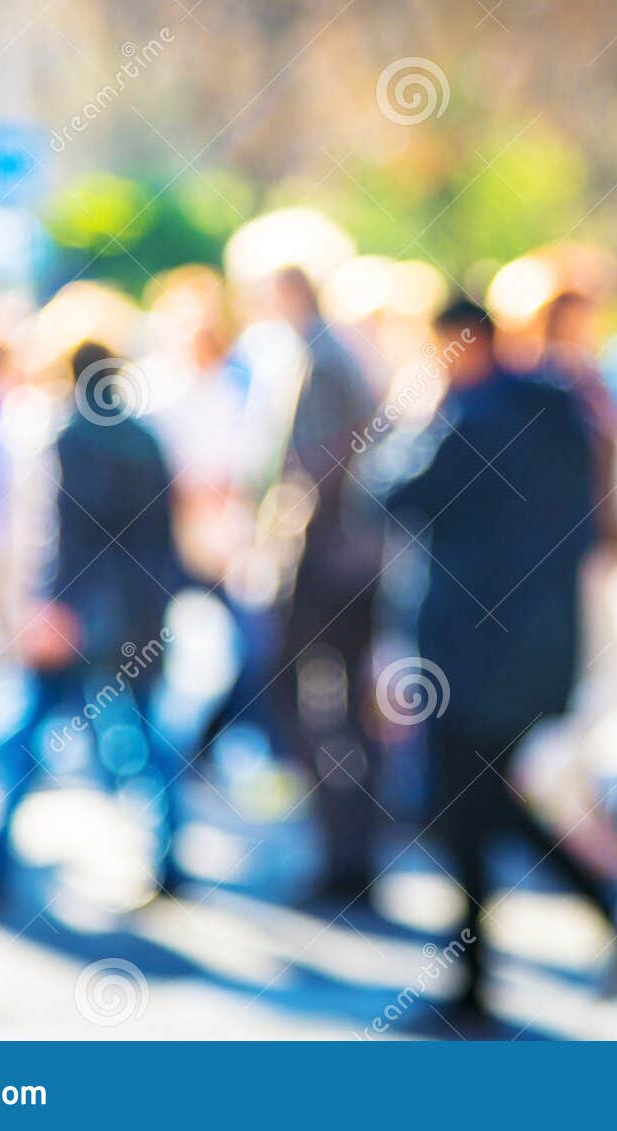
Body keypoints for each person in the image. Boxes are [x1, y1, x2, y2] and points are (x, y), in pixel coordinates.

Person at [376, 298, 617, 1021]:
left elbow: (389, 496)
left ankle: (478, 980)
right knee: (482, 804)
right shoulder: (558, 411)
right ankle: (578, 918)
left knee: (461, 809)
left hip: (468, 651)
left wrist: (409, 414)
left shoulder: (465, 418)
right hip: (539, 646)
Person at [0, 342, 188, 899]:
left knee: (28, 734)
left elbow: (66, 535)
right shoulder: (146, 439)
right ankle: (170, 857)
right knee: (144, 738)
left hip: (81, 614)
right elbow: (165, 539)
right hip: (137, 614)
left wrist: (52, 605)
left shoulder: (72, 436)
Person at [263, 265, 388, 904]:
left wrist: (285, 537)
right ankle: (350, 845)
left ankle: (348, 845)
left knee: (305, 699)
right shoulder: (337, 352)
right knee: (336, 705)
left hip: (329, 561)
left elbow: (323, 462)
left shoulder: (324, 356)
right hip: (348, 558)